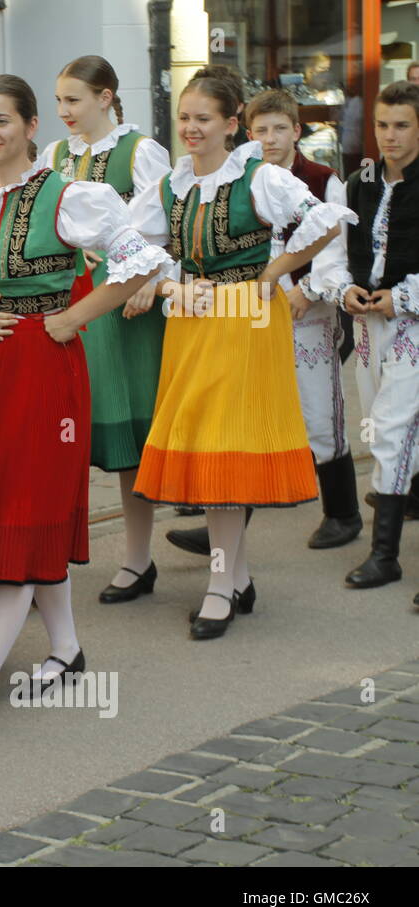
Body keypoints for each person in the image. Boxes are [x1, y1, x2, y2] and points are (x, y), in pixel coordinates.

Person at [0, 75, 166, 730]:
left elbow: (139, 264)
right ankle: (66, 648)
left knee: (20, 507)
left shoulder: (71, 197)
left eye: (2, 120)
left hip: (41, 368)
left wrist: (74, 316)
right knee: (6, 509)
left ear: (31, 126)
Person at [129, 67, 355, 639]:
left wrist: (270, 275)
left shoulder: (257, 177)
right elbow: (132, 251)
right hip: (192, 326)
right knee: (209, 451)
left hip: (247, 323)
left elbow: (326, 222)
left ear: (233, 125)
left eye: (203, 119)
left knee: (225, 454)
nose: (191, 129)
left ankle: (219, 583)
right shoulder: (171, 185)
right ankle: (240, 579)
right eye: (184, 118)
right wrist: (166, 285)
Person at [168, 89, 362, 556]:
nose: (271, 138)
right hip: (250, 313)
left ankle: (342, 511)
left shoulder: (321, 178)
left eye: (280, 129)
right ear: (247, 133)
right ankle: (228, 519)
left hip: (304, 311)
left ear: (297, 131)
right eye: (262, 130)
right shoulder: (237, 176)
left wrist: (306, 289)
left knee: (317, 411)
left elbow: (335, 247)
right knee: (244, 415)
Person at [40, 56, 172, 604]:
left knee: (130, 438)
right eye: (59, 102)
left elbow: (168, 221)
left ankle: (139, 558)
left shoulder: (140, 151)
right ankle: (46, 558)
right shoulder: (53, 157)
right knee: (65, 436)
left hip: (126, 309)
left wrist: (151, 273)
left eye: (74, 100)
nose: (65, 111)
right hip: (72, 300)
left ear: (106, 97)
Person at [327, 82, 419, 601]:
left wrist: (403, 297)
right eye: (383, 125)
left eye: (402, 125)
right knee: (388, 424)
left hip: (414, 323)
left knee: (392, 427)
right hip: (368, 326)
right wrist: (344, 289)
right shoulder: (360, 181)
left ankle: (385, 555)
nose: (390, 136)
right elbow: (334, 249)